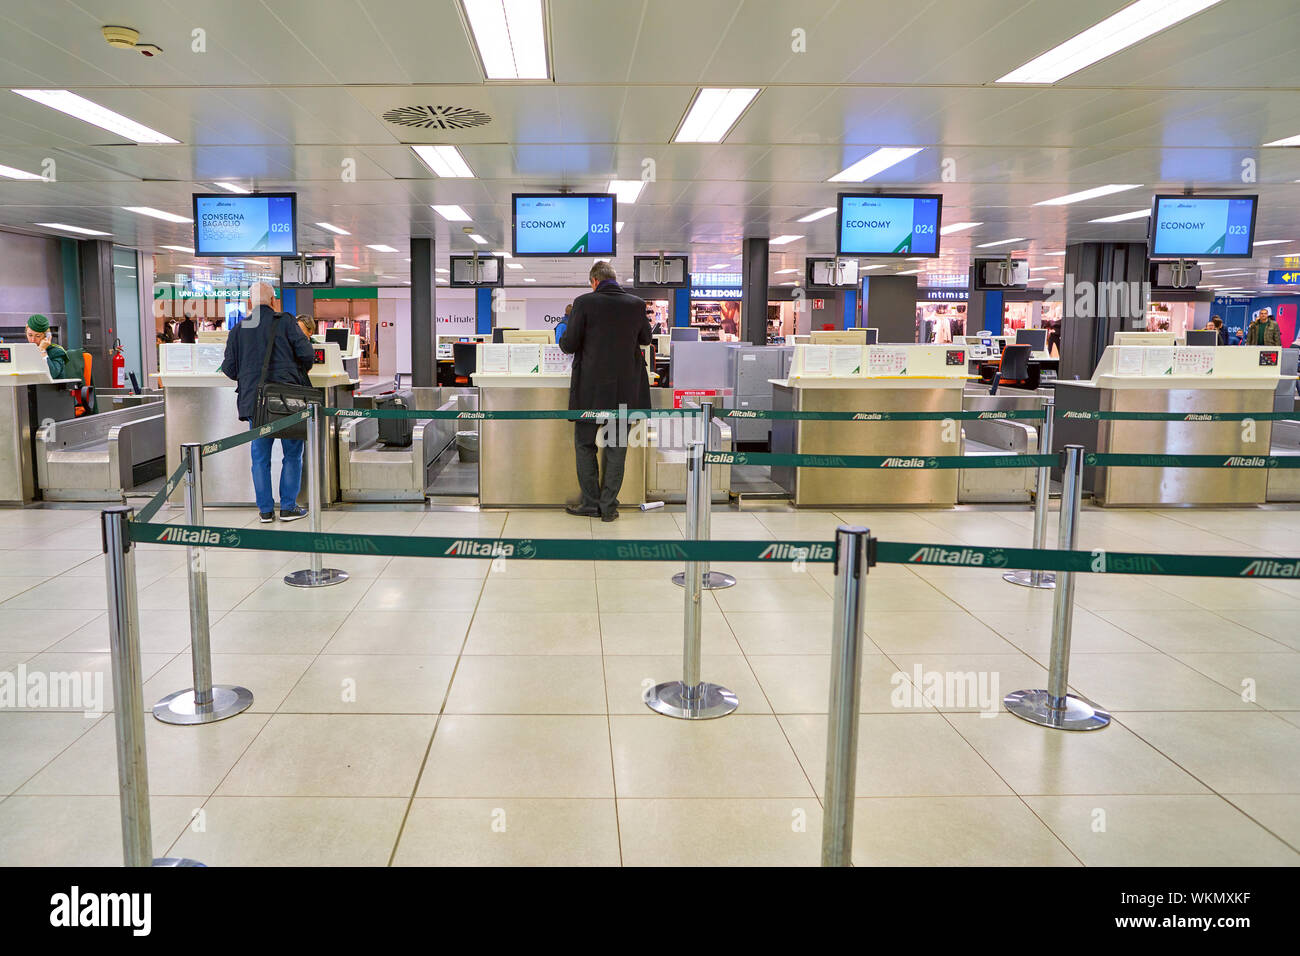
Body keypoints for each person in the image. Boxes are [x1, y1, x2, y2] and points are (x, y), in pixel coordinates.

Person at [559, 260, 651, 521]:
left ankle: (590, 503)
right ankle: (608, 507)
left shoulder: (584, 303)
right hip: (625, 391)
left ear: (594, 281)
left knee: (585, 445)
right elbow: (646, 339)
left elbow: (569, 344)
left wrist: (565, 336)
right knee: (617, 447)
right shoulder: (636, 304)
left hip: (590, 390)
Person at [219, 282, 315, 523]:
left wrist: (249, 377)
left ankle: (265, 511)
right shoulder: (286, 321)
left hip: (256, 400)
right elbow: (307, 355)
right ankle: (288, 507)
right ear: (274, 301)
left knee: (260, 457)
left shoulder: (238, 329)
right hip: (287, 397)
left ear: (250, 303)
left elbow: (229, 368)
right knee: (292, 454)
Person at [25, 314, 68, 378]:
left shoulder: (57, 352)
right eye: (30, 335)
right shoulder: (26, 351)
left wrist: (42, 350)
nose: (33, 340)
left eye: (38, 336)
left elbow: (52, 374)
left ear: (46, 336)